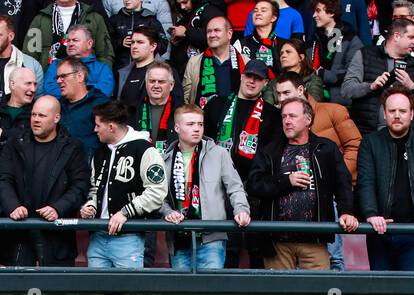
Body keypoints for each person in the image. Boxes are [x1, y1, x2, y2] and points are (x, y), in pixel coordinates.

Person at [246, 96, 358, 269]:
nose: (287, 121)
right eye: (284, 117)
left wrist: (346, 212)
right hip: (278, 243)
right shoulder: (270, 149)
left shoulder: (326, 148)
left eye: (292, 116)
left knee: (317, 293)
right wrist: (286, 181)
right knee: (281, 294)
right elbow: (254, 184)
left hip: (315, 239)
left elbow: (342, 184)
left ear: (308, 119)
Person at [355, 87, 414, 270]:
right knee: (381, 292)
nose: (397, 115)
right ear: (384, 114)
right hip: (379, 231)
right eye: (392, 111)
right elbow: (365, 182)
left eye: (402, 111)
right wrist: (371, 214)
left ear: (412, 113)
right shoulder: (370, 142)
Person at [0, 93, 90, 265]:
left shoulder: (73, 148)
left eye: (42, 115)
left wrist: (58, 208)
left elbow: (80, 185)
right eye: (33, 114)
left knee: (55, 291)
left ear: (56, 118)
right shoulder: (15, 143)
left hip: (56, 236)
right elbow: (4, 179)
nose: (36, 120)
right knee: (15, 290)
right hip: (19, 234)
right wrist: (13, 206)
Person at [79, 99, 169, 267]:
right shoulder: (99, 153)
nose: (95, 129)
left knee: (130, 292)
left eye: (98, 125)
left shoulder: (144, 150)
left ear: (111, 127)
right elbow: (94, 187)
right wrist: (90, 206)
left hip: (129, 237)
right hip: (98, 236)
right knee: (96, 291)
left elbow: (157, 192)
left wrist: (125, 212)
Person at [159, 103, 250, 269]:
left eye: (200, 124)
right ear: (177, 128)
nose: (197, 129)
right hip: (179, 238)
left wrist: (242, 210)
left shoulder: (219, 153)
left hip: (212, 237)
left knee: (211, 290)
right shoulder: (165, 159)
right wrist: (168, 212)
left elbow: (235, 188)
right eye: (190, 124)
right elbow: (159, 198)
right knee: (181, 290)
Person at [271, 70, 360, 176]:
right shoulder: (282, 120)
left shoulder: (334, 111)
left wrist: (337, 176)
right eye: (278, 94)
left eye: (286, 93)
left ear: (300, 90)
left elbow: (355, 146)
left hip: (335, 186)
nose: (281, 99)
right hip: (300, 186)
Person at [204, 57, 280, 181]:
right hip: (215, 177)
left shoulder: (272, 114)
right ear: (242, 76)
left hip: (250, 184)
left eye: (258, 78)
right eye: (249, 76)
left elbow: (270, 153)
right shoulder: (216, 104)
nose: (252, 81)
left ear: (266, 82)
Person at [341, 17, 414, 131]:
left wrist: (412, 87)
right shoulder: (365, 54)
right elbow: (346, 90)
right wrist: (370, 86)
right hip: (366, 131)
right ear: (397, 36)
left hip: (404, 133)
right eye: (411, 37)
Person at [25, 0, 117, 69]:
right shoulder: (40, 20)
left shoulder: (95, 18)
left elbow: (105, 55)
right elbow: (29, 57)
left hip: (86, 85)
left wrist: (97, 81)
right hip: (48, 85)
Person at [0, 66, 38, 168]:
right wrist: (18, 136)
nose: (33, 89)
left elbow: (32, 146)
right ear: (12, 84)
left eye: (35, 84)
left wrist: (4, 133)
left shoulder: (38, 112)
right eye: (28, 83)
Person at [181, 15, 243, 108]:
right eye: (209, 31)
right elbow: (186, 98)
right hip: (202, 119)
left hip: (236, 119)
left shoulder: (245, 61)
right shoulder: (194, 62)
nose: (212, 35)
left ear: (229, 34)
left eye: (217, 30)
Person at [308, 0, 362, 107]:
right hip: (313, 101)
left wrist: (322, 74)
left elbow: (352, 74)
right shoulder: (314, 39)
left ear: (331, 12)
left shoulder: (350, 39)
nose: (314, 15)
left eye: (318, 11)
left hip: (340, 103)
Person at [42, 23, 117, 98]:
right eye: (68, 41)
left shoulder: (102, 68)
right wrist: (85, 89)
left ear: (89, 44)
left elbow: (104, 92)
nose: (70, 44)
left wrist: (69, 90)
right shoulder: (56, 65)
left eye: (75, 40)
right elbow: (49, 90)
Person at [57, 57, 111, 159]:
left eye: (63, 76)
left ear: (80, 76)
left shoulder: (101, 104)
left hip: (89, 169)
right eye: (58, 77)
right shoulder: (58, 105)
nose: (58, 81)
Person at [129, 60, 180, 155]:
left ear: (171, 85)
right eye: (152, 81)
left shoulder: (181, 113)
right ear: (146, 83)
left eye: (161, 82)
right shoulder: (132, 111)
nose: (156, 86)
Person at [261, 38, 324, 105]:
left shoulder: (313, 80)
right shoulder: (273, 83)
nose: (283, 56)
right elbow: (267, 109)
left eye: (288, 52)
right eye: (281, 53)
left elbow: (312, 106)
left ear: (301, 57)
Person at [112, 2, 165, 73]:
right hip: (120, 69)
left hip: (146, 70)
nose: (127, 0)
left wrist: (146, 47)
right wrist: (120, 42)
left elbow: (163, 44)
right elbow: (106, 46)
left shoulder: (150, 19)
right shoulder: (115, 19)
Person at [240, 0, 285, 75]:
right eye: (255, 10)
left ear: (273, 18)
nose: (258, 13)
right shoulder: (240, 44)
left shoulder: (284, 45)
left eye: (263, 10)